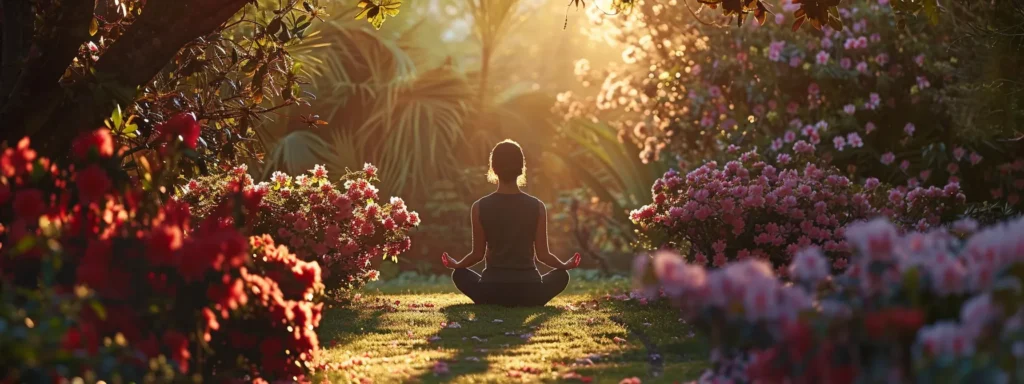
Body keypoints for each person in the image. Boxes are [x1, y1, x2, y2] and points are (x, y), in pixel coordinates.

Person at [442, 139, 581, 307]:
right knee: (562, 276)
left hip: (491, 290)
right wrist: (564, 265)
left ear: (493, 169)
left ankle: (488, 300)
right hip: (529, 290)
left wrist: (457, 265)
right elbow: (543, 255)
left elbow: (477, 254)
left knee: (459, 274)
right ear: (521, 169)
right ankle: (531, 301)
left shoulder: (479, 207)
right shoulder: (537, 206)